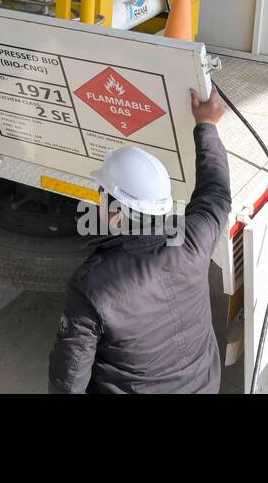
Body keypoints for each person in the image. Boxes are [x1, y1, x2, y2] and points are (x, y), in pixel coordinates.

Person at [48, 87, 231, 394]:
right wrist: (207, 126)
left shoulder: (93, 285)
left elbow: (68, 381)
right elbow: (217, 193)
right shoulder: (194, 241)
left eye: (101, 197)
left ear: (117, 211)